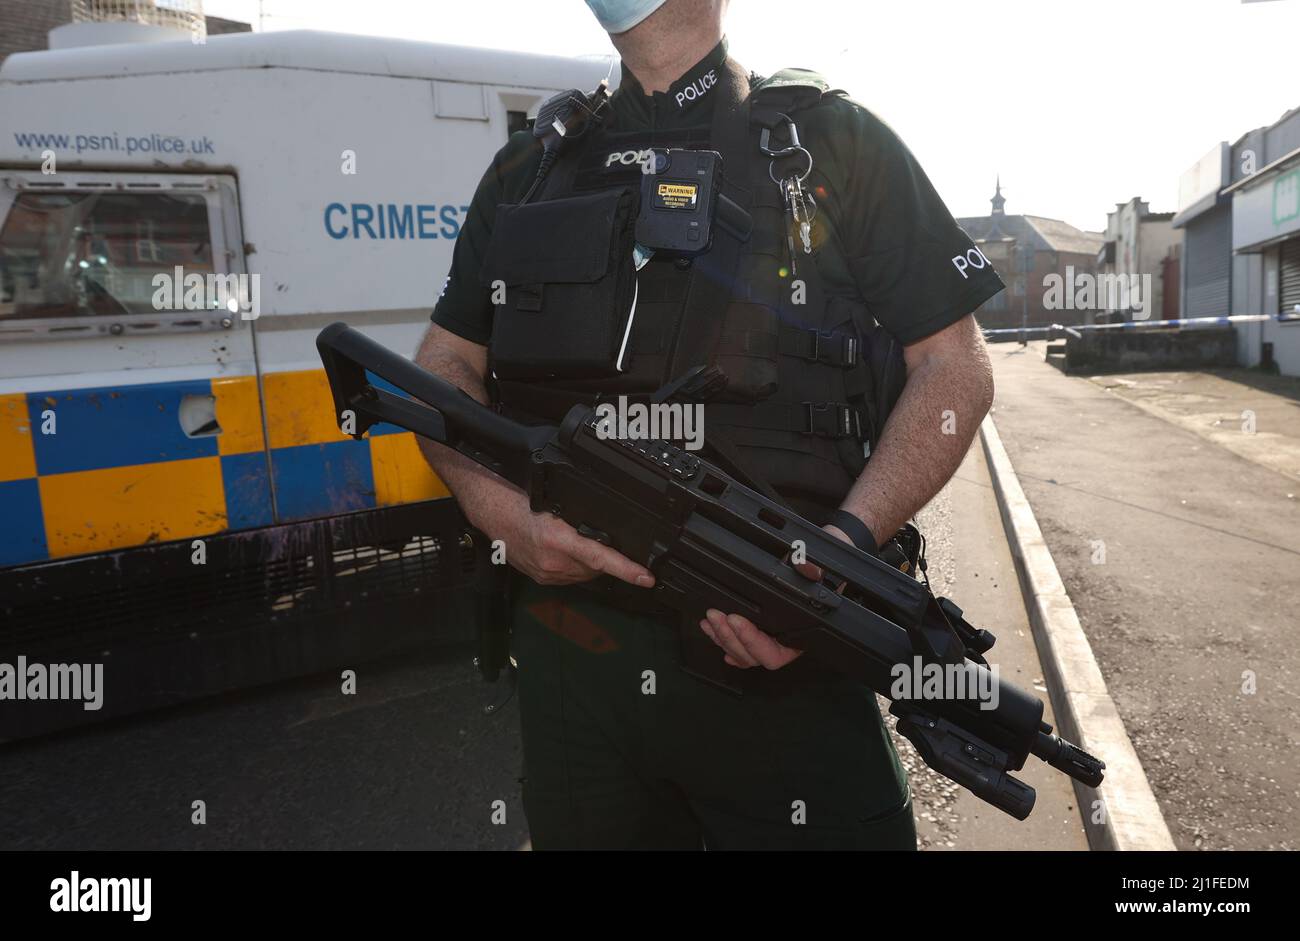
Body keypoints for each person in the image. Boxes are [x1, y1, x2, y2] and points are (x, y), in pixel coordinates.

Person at [415, 0, 1003, 849]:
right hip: (573, 659)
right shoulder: (530, 169)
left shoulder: (833, 144)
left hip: (783, 653)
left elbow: (956, 368)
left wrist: (836, 556)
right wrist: (500, 514)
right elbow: (442, 366)